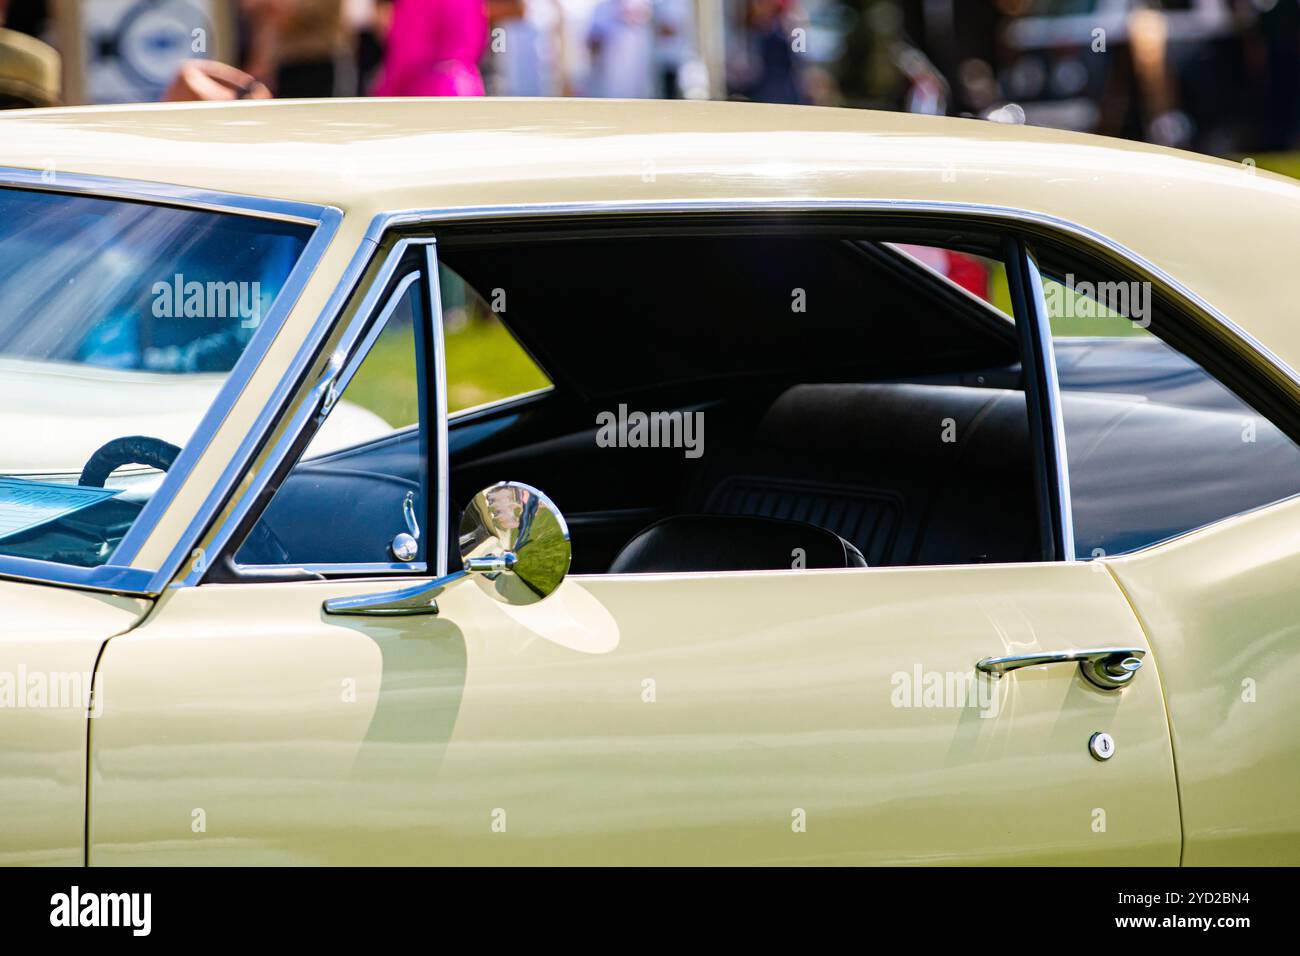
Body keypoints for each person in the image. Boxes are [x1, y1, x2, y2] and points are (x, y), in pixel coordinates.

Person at [371, 0, 487, 96]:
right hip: (468, 87)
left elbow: (407, 52)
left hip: (427, 91)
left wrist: (385, 93)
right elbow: (478, 38)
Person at [585, 0, 654, 98]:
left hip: (635, 69)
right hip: (608, 68)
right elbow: (592, 41)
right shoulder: (602, 8)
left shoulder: (642, 5)